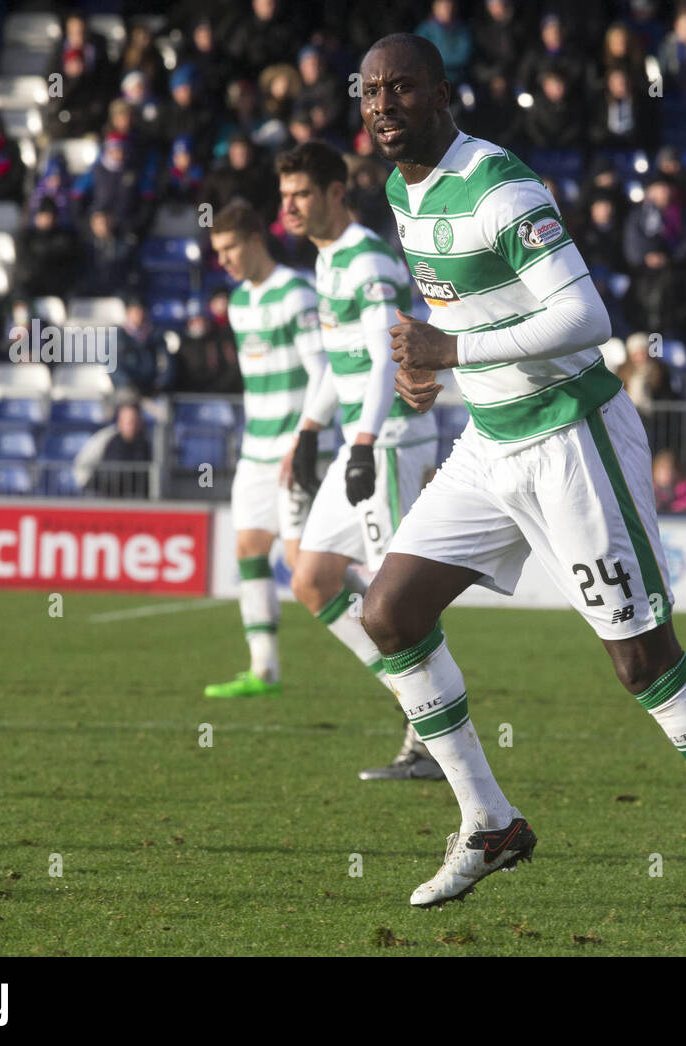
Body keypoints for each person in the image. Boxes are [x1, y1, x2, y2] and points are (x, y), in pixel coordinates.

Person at [357, 33, 686, 925]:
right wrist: (434, 366)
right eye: (369, 91)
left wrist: (453, 348)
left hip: (573, 439)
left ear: (443, 95)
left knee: (642, 661)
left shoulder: (500, 184)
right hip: (489, 444)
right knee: (389, 613)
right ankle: (486, 820)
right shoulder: (401, 190)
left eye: (401, 88)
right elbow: (464, 306)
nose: (382, 105)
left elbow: (585, 314)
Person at [280, 140, 444, 782]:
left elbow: (384, 359)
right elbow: (340, 362)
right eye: (284, 195)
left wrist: (366, 441)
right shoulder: (326, 262)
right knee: (312, 578)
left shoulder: (368, 259)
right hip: (358, 439)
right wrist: (310, 428)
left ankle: (430, 739)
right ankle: (417, 701)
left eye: (301, 195)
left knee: (393, 597)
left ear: (334, 193)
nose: (289, 206)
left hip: (389, 442)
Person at [202, 199, 324, 701]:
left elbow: (324, 370)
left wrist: (305, 438)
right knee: (249, 551)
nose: (224, 260)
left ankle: (398, 652)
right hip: (255, 450)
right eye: (217, 251)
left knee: (306, 570)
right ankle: (264, 669)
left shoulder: (296, 292)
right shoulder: (238, 304)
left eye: (230, 248)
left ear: (256, 240)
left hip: (294, 447)